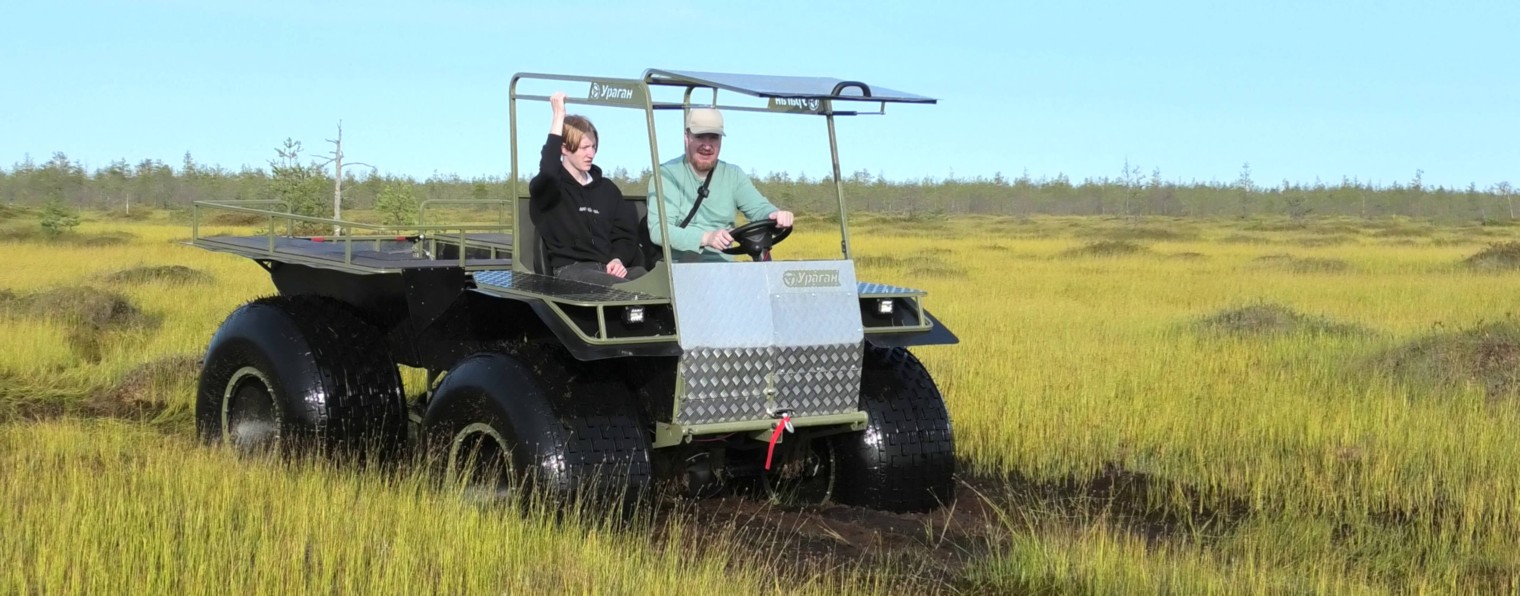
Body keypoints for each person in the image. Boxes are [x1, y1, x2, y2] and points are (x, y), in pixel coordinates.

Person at [646, 107, 794, 262]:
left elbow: (759, 208)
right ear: (686, 137)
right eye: (700, 137)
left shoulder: (733, 175)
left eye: (714, 138)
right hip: (680, 270)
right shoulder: (666, 175)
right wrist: (706, 238)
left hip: (724, 269)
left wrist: (775, 215)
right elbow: (659, 231)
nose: (707, 146)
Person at [529, 91, 646, 284]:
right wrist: (558, 116)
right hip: (571, 272)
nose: (591, 154)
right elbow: (549, 171)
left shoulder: (608, 190)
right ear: (564, 148)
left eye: (593, 147)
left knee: (652, 281)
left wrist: (618, 258)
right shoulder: (551, 189)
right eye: (584, 148)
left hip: (608, 269)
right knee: (622, 289)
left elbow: (625, 234)